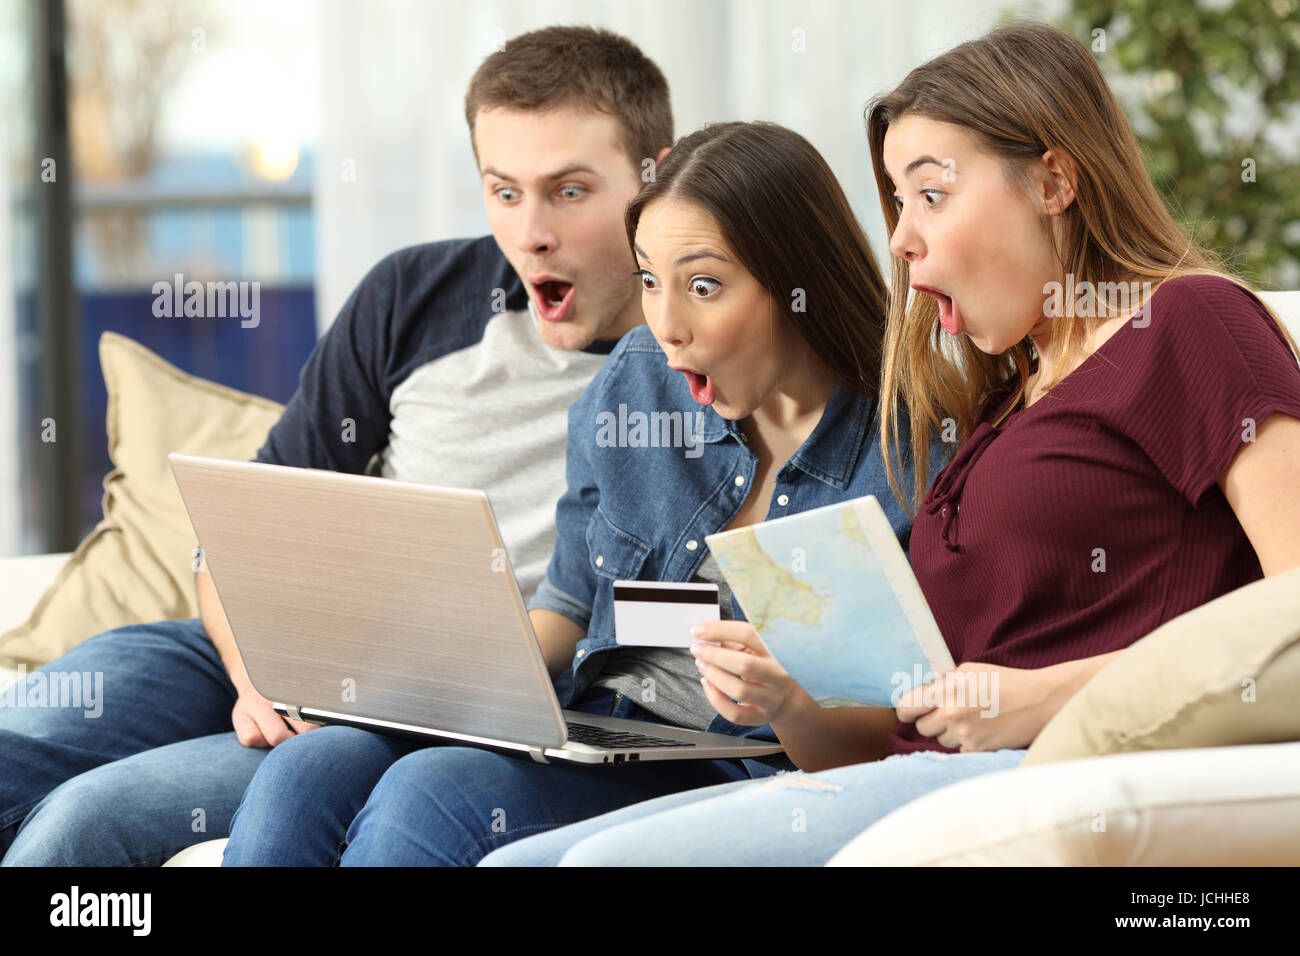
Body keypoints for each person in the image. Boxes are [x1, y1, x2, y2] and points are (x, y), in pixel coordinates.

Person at [478, 20, 1300, 867]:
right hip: (911, 781)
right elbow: (882, 739)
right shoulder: (1002, 401)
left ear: (1053, 180)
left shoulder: (1192, 323)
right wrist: (791, 699)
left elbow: (1294, 615)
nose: (901, 241)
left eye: (931, 195)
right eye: (898, 203)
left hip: (1036, 777)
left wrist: (1041, 698)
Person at [0, 25, 673, 866]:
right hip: (245, 652)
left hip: (418, 711)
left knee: (84, 824)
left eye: (570, 192)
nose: (532, 232)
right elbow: (234, 535)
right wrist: (255, 677)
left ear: (656, 173)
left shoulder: (693, 362)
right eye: (504, 191)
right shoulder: (416, 293)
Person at [221, 118, 944, 866]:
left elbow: (881, 743)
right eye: (650, 281)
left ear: (802, 284)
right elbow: (569, 602)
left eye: (704, 286)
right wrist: (423, 682)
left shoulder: (911, 453)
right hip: (609, 726)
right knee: (304, 773)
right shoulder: (637, 384)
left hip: (760, 767)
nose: (667, 326)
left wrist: (788, 699)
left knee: (431, 797)